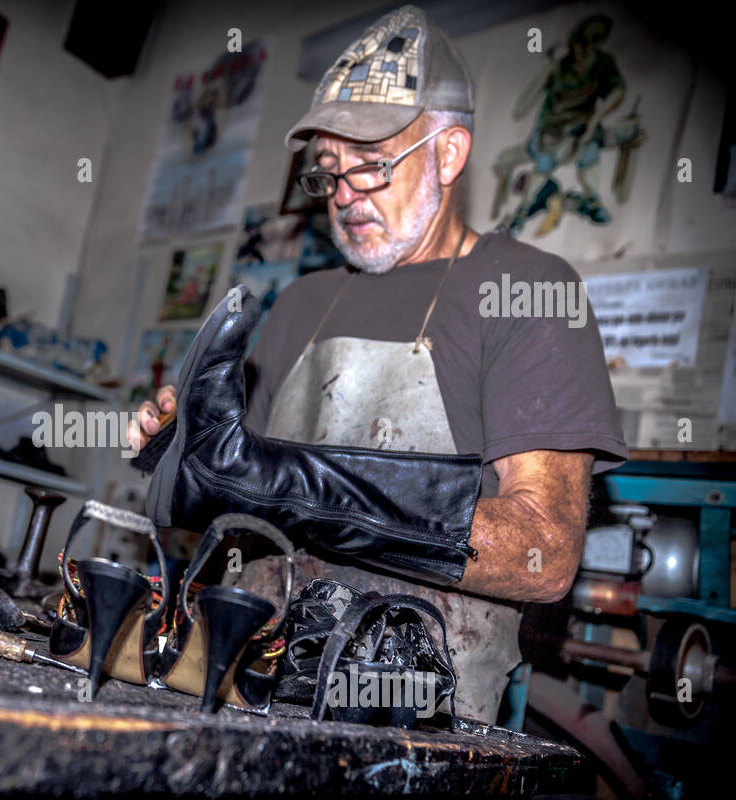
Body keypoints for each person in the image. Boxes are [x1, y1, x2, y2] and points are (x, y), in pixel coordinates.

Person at [129, 5, 627, 723]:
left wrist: (303, 493)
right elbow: (246, 506)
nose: (344, 196)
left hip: (410, 707)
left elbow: (543, 554)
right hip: (246, 669)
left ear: (449, 154)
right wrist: (186, 460)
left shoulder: (528, 291)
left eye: (371, 166)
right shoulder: (302, 301)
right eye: (329, 172)